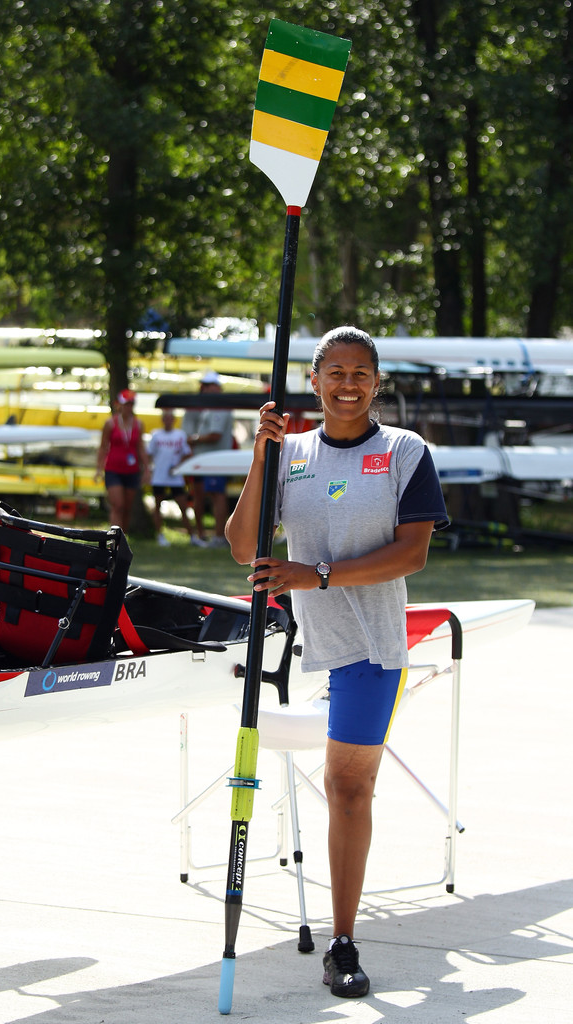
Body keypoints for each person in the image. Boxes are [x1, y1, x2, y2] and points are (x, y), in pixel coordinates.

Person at [225, 326, 448, 999]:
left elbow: (411, 554)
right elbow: (243, 548)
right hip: (301, 648)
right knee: (338, 784)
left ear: (376, 384)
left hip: (370, 651)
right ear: (315, 379)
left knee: (348, 790)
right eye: (336, 372)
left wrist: (315, 575)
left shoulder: (405, 452)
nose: (348, 384)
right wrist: (262, 458)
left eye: (361, 373)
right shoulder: (290, 454)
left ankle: (342, 943)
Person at [182, 370, 234, 547]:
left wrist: (192, 439)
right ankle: (202, 534)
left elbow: (214, 435)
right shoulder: (211, 406)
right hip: (204, 459)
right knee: (200, 495)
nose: (202, 388)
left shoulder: (220, 407)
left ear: (216, 387)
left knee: (217, 495)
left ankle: (220, 536)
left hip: (215, 460)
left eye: (207, 385)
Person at [96, 388, 149, 531]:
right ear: (119, 404)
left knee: (126, 507)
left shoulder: (138, 424)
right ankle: (114, 537)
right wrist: (98, 469)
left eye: (131, 404)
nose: (129, 407)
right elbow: (103, 447)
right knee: (117, 505)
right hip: (113, 469)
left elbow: (141, 448)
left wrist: (147, 469)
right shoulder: (110, 423)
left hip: (132, 470)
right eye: (126, 404)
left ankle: (122, 538)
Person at [147, 409, 198, 546]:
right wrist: (147, 470)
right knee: (157, 506)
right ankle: (160, 535)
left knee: (183, 506)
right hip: (159, 476)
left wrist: (178, 466)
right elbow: (149, 454)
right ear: (163, 420)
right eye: (165, 418)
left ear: (174, 420)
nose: (168, 421)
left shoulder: (180, 435)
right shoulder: (156, 435)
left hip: (175, 478)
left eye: (170, 418)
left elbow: (187, 453)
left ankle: (192, 536)